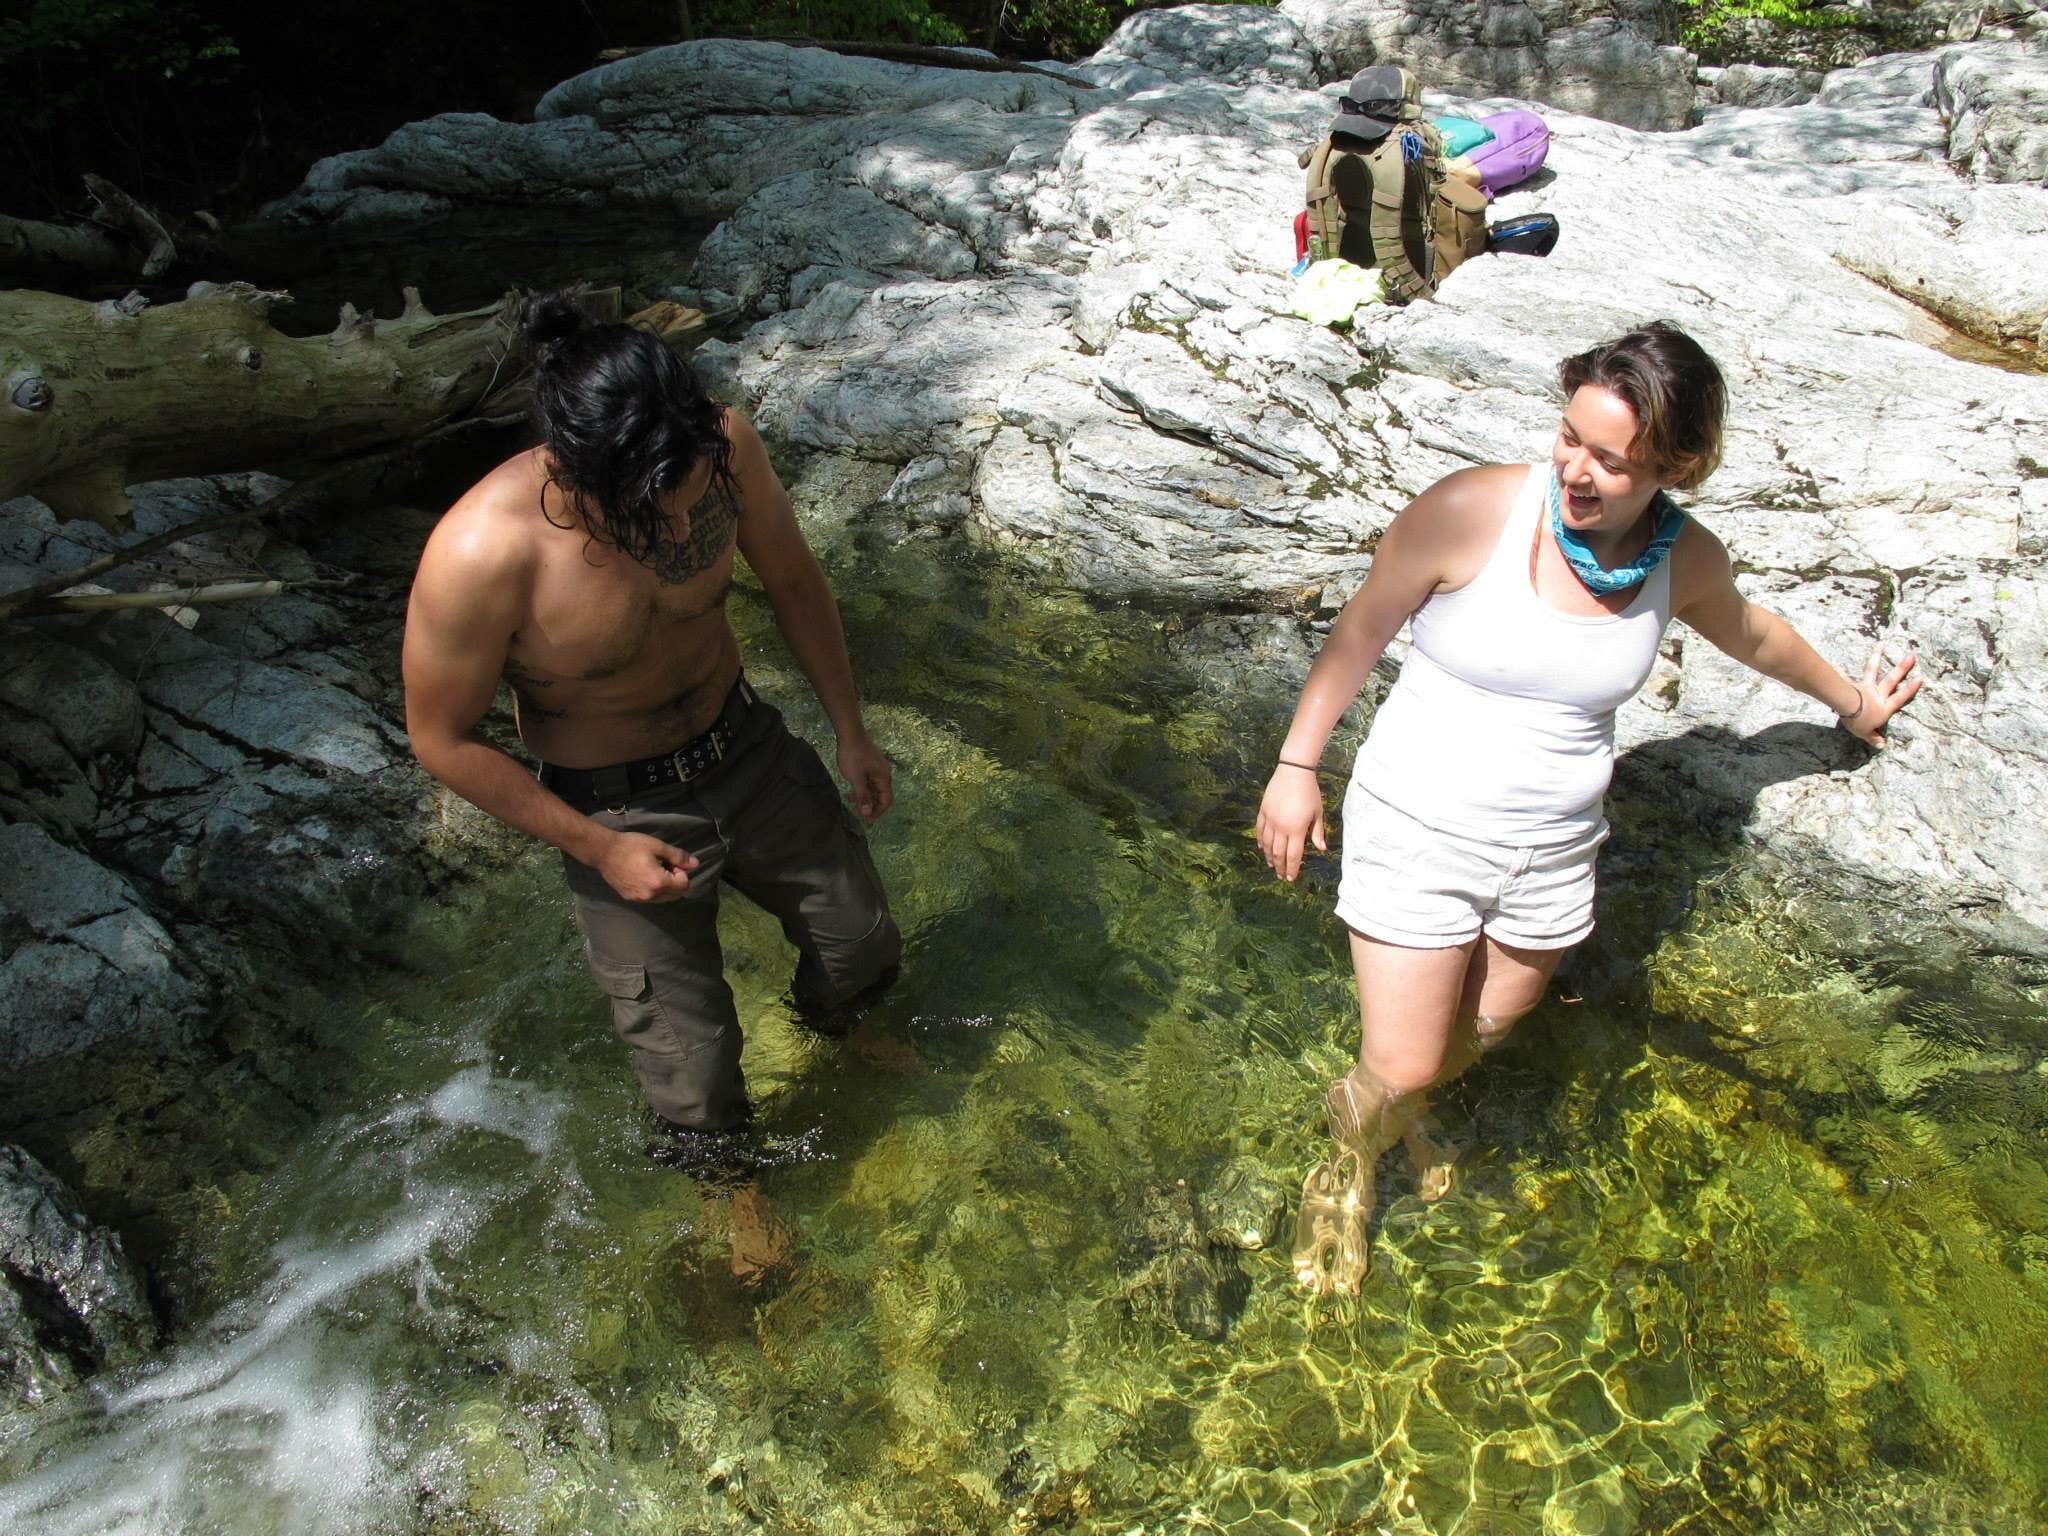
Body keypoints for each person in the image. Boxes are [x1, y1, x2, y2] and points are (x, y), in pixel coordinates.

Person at [1257, 320, 1920, 1296]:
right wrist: (1296, 764)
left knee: (1486, 1030)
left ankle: (1392, 1112)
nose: (1575, 469)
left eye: (1610, 460)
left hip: (1553, 850)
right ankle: (1347, 1159)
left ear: (1675, 467)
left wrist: (1853, 704)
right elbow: (1361, 627)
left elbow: (1752, 633)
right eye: (1570, 437)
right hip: (1419, 824)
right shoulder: (1471, 510)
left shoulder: (1680, 559)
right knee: (1402, 1061)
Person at [403, 291, 902, 1174]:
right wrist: (597, 848)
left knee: (862, 946)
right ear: (572, 471)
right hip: (615, 807)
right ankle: (730, 1193)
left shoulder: (724, 446)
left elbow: (793, 578)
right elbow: (440, 738)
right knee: (689, 1062)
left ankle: (843, 1034)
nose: (675, 526)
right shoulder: (482, 553)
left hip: (745, 745)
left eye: (684, 491)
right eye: (648, 504)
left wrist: (850, 731)